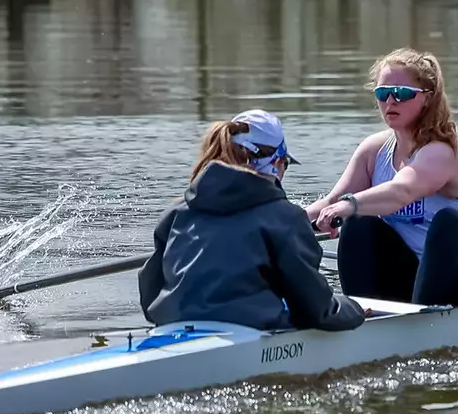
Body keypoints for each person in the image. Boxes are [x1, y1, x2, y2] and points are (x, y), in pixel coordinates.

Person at [308, 48, 458, 307]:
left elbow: (402, 191)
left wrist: (349, 205)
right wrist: (276, 223)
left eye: (401, 94)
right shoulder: (373, 150)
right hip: (416, 274)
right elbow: (330, 202)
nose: (390, 101)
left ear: (427, 98)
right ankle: (364, 314)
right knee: (359, 224)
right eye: (382, 93)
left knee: (447, 221)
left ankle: (422, 326)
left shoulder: (442, 150)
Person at [139, 109, 365, 332]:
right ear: (275, 163)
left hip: (169, 331)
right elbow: (318, 311)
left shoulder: (176, 212)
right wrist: (355, 308)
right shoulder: (285, 217)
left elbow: (150, 294)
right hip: (246, 333)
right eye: (285, 163)